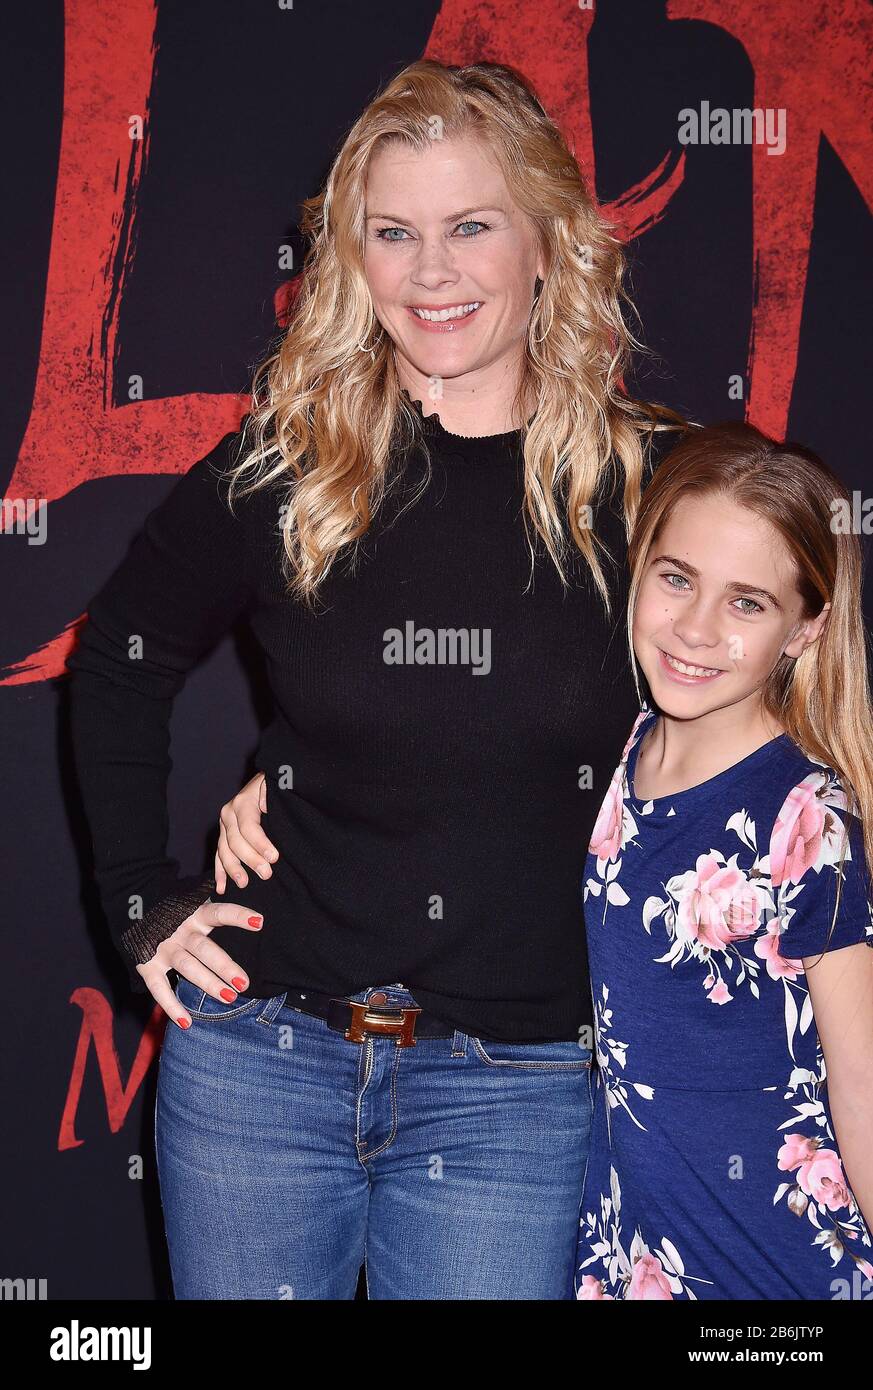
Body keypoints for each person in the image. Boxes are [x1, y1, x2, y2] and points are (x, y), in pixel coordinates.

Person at [67, 58, 684, 1300]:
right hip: (258, 1064)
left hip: (515, 1092)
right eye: (393, 234)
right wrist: (142, 901)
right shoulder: (290, 463)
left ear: (549, 245)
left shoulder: (651, 489)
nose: (432, 272)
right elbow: (120, 658)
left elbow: (753, 732)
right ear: (354, 260)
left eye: (471, 227)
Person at [575, 421, 873, 1300]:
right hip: (627, 1257)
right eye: (676, 580)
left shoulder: (805, 816)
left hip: (775, 1272)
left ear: (804, 628)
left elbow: (859, 1081)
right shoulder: (611, 753)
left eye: (746, 603)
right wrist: (272, 790)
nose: (695, 630)